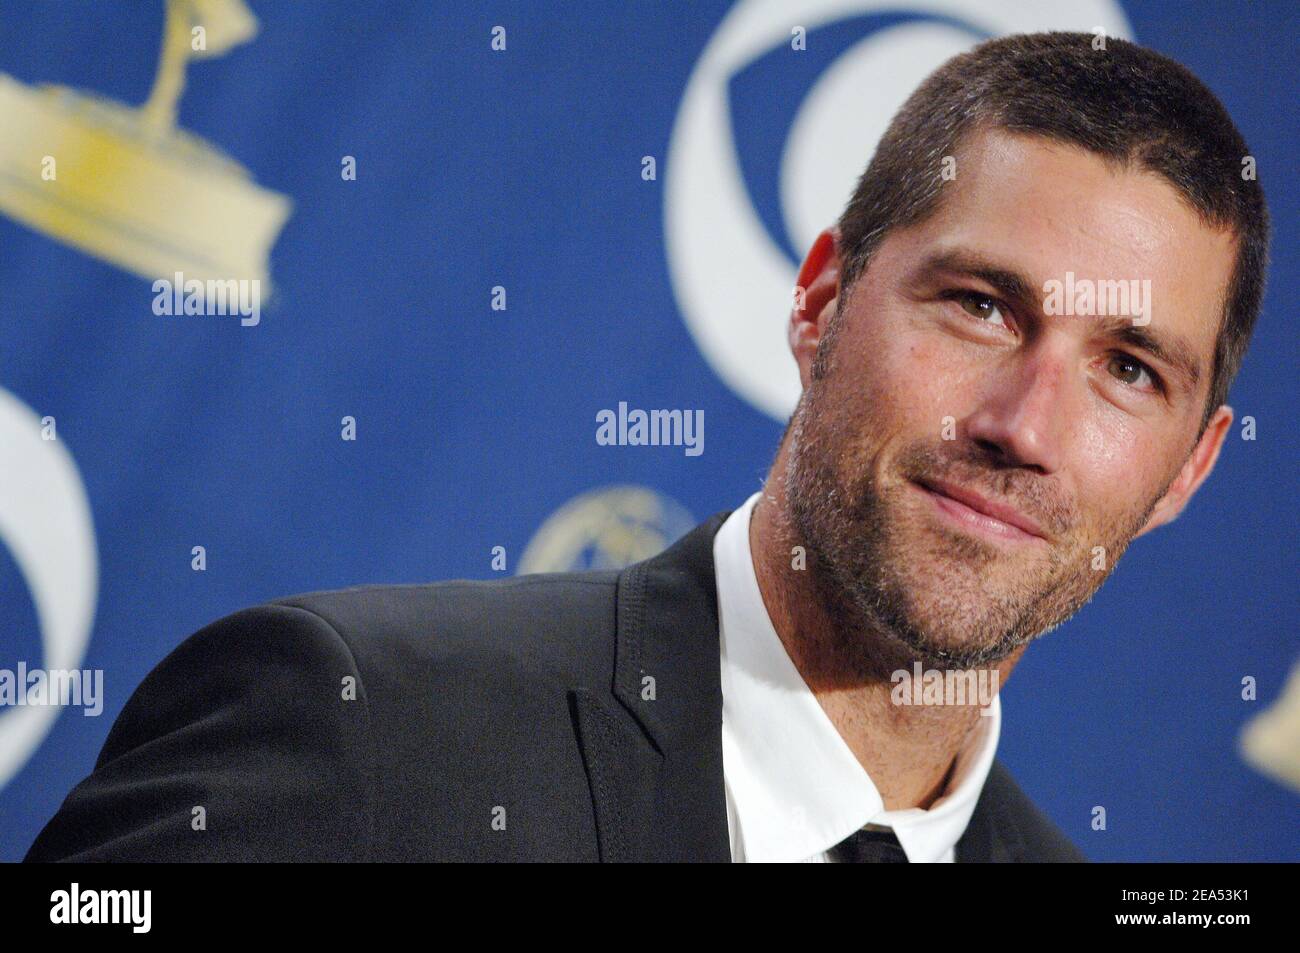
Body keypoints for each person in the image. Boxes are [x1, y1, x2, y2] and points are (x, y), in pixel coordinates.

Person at [27, 31, 1270, 863]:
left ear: (1188, 468)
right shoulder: (357, 734)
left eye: (1126, 369)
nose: (1023, 427)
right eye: (981, 305)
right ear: (820, 301)